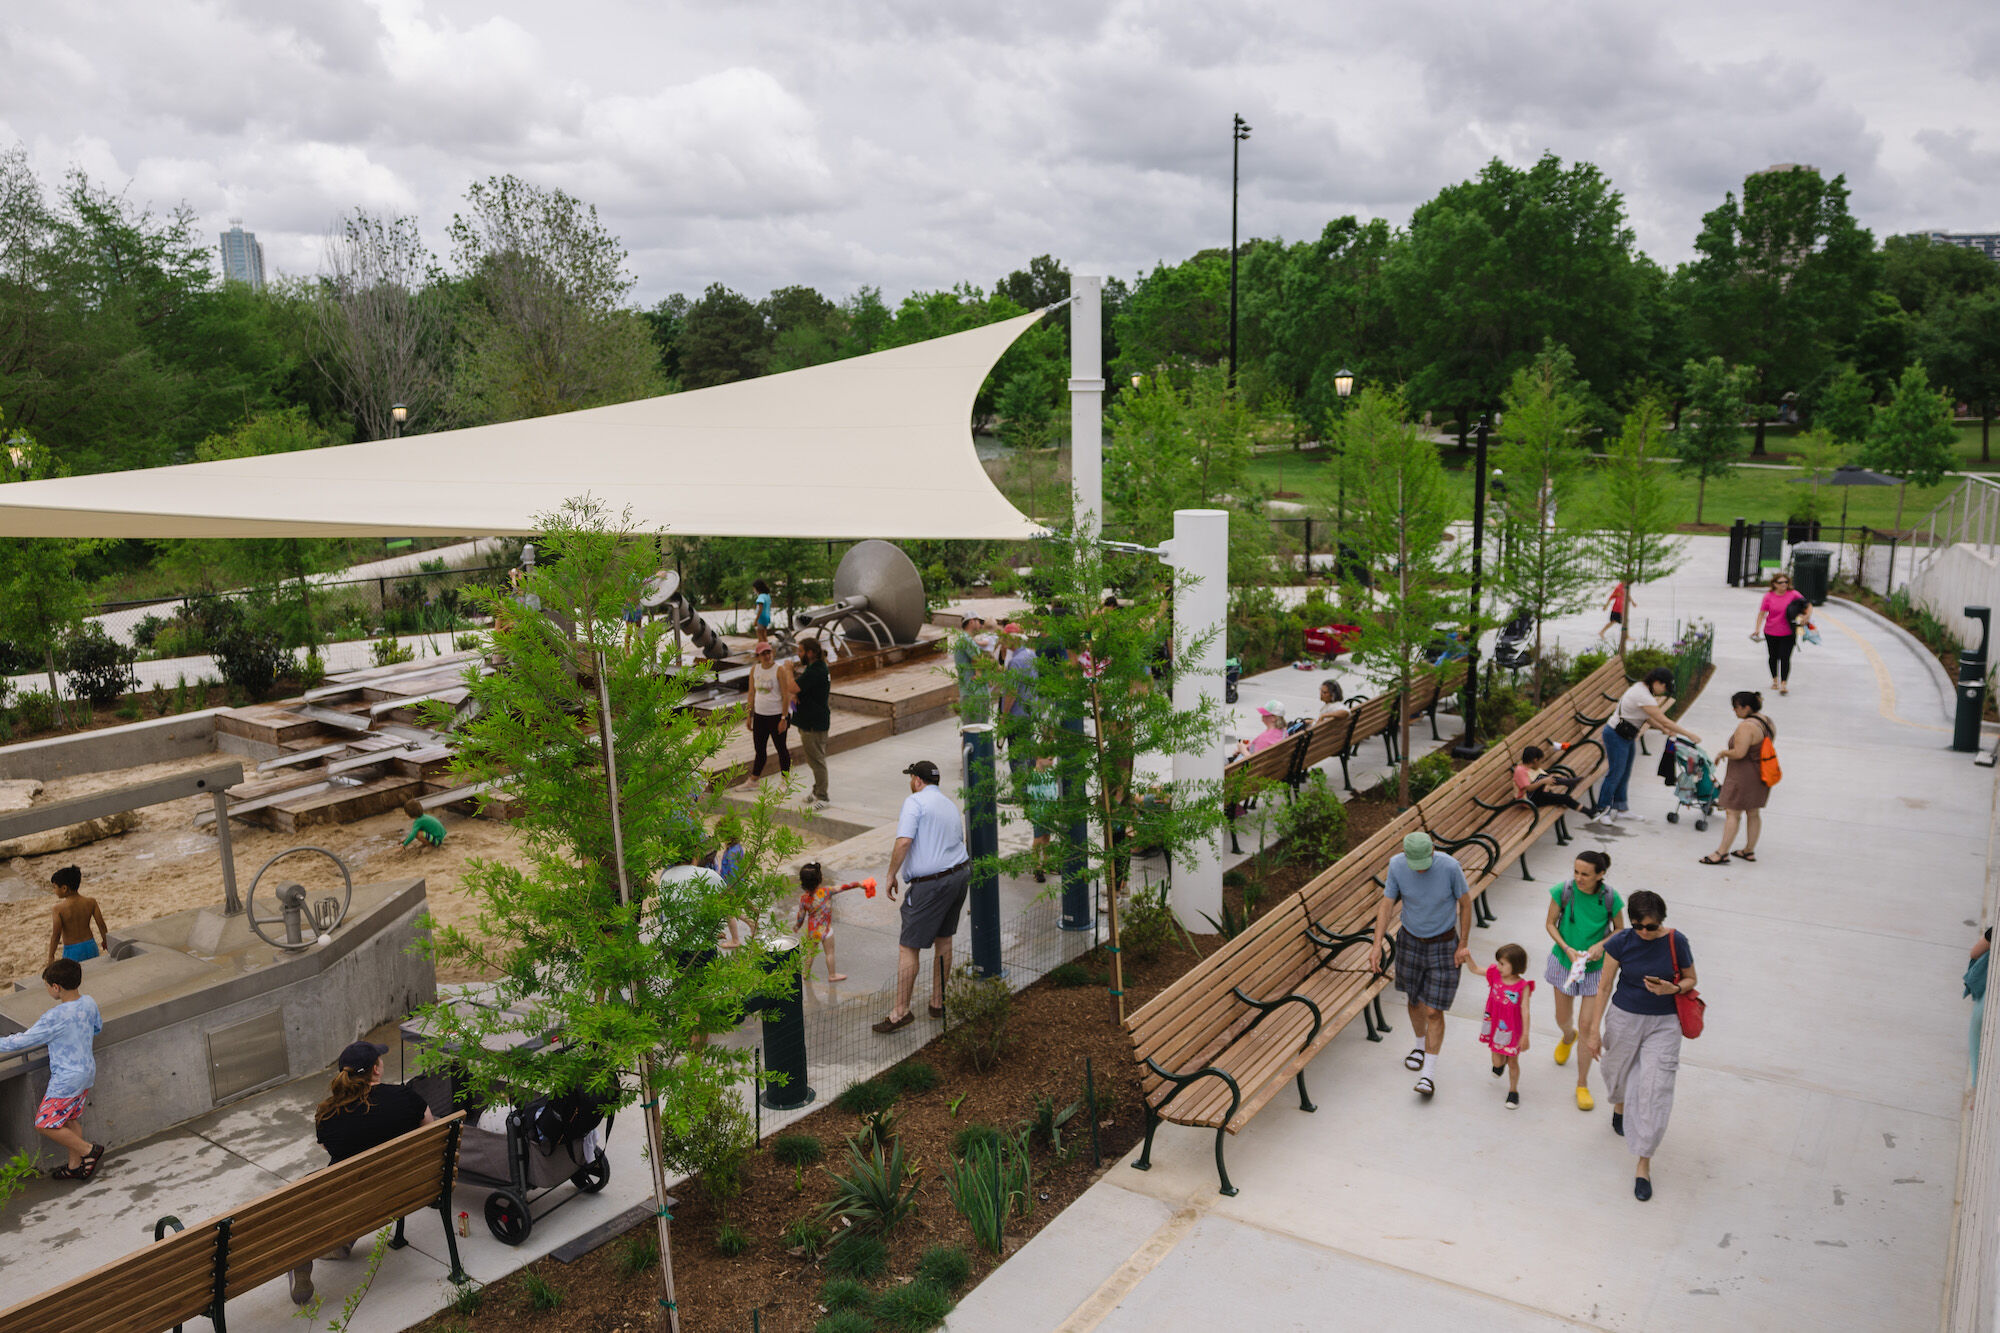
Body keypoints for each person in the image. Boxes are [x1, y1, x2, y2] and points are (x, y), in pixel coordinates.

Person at [296, 1040, 434, 1304]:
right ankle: (341, 1244)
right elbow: (430, 1128)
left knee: (313, 1187)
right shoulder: (406, 1097)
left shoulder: (326, 1115)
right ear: (376, 1069)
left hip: (354, 1206)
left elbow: (332, 1149)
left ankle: (307, 1252)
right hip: (412, 1188)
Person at [1583, 890, 1697, 1203]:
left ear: (1661, 920)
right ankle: (1619, 1103)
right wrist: (1593, 1030)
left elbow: (1690, 979)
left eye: (1651, 926)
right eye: (1639, 926)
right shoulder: (1621, 941)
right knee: (1615, 1072)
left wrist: (1671, 988)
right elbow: (1604, 985)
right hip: (1624, 1018)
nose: (1645, 932)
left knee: (1655, 1089)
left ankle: (1643, 1162)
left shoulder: (1676, 941)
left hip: (1664, 1023)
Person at [1369, 831, 1473, 1097]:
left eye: (1424, 864)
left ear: (1432, 851)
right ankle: (1418, 1045)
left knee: (1434, 1011)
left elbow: (1465, 903)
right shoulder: (1397, 865)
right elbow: (1387, 905)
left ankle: (1428, 1074)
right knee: (1414, 1000)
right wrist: (1376, 944)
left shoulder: (1450, 867)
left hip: (1444, 943)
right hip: (1410, 941)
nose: (1420, 870)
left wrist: (1463, 946)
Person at [875, 760, 970, 1033]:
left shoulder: (914, 803)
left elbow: (904, 841)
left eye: (911, 778)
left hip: (932, 884)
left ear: (917, 780)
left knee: (909, 946)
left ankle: (900, 1012)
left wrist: (891, 874)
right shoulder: (949, 804)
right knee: (944, 939)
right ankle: (937, 1003)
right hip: (959, 875)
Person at [0, 958, 105, 1181]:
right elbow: (97, 1027)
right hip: (86, 1071)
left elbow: (21, 1042)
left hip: (66, 1078)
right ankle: (75, 1166)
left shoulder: (54, 1017)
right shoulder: (89, 1002)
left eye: (47, 985)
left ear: (55, 987)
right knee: (69, 1119)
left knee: (44, 1123)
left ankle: (89, 1151)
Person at [1544, 850, 1624, 1110]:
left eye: (1585, 874)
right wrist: (1566, 947)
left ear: (1600, 875)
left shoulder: (1611, 898)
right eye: (1576, 872)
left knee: (1590, 1027)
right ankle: (1568, 1037)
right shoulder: (1563, 890)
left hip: (1594, 968)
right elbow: (1550, 924)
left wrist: (1602, 944)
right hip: (1564, 962)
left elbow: (1620, 929)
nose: (1579, 878)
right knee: (1562, 1019)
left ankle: (1582, 1084)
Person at [1591, 668, 1700, 825]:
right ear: (1657, 682)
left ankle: (1621, 809)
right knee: (1615, 773)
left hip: (1626, 735)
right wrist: (1688, 734)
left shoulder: (1642, 689)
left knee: (1625, 772)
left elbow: (1647, 716)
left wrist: (1663, 729)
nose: (1664, 692)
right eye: (1664, 687)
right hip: (1616, 735)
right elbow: (1664, 719)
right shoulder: (1643, 695)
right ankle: (1602, 810)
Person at [1703, 691, 1774, 866]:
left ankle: (1721, 853)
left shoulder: (1746, 726)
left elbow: (1740, 752)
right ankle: (1748, 851)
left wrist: (1723, 752)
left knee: (1732, 813)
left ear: (1746, 707)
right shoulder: (1766, 720)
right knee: (1753, 812)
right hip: (1761, 774)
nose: (1734, 710)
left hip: (1743, 777)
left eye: (1736, 707)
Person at [1476, 942, 1534, 1107]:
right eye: (1499, 962)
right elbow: (1475, 970)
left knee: (1513, 1062)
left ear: (1515, 965)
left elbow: (1525, 1011)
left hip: (1513, 1030)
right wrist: (1467, 957)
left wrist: (1525, 1035)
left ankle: (1513, 1091)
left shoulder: (1523, 987)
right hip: (1496, 1027)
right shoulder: (1495, 974)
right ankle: (1500, 1064)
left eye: (1503, 963)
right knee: (1497, 1062)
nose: (1498, 966)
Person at [793, 861, 862, 983]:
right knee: (829, 953)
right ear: (820, 879)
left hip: (813, 930)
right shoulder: (826, 891)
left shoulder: (803, 899)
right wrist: (859, 884)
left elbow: (801, 916)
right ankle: (832, 975)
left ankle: (805, 973)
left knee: (810, 953)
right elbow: (844, 887)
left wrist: (797, 926)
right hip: (826, 930)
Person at [745, 641, 795, 783]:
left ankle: (785, 780)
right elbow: (751, 693)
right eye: (763, 654)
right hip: (760, 715)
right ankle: (754, 779)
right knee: (759, 749)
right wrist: (749, 716)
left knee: (781, 748)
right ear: (758, 656)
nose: (767, 656)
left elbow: (786, 695)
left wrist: (784, 717)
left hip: (777, 715)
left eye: (769, 652)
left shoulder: (779, 670)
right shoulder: (755, 670)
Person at [1753, 572, 1808, 696]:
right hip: (1771, 631)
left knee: (1785, 657)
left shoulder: (1793, 594)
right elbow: (1762, 613)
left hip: (1788, 632)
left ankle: (1784, 684)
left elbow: (1807, 605)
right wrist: (1757, 628)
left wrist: (1806, 616)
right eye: (1780, 582)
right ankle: (1775, 680)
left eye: (1786, 582)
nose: (1784, 584)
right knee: (1773, 657)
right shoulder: (1768, 596)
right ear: (1774, 584)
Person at [793, 637, 833, 807]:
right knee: (813, 760)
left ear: (810, 653)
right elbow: (800, 690)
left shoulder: (817, 670)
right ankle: (816, 791)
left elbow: (792, 687)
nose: (798, 654)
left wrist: (788, 671)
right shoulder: (813, 668)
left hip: (814, 723)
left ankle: (823, 797)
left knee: (817, 761)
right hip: (809, 721)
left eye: (801, 651)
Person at [46, 865, 108, 964]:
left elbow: (56, 935)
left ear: (64, 888)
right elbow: (101, 924)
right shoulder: (91, 902)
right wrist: (106, 941)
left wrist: (51, 956)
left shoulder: (58, 909)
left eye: (55, 887)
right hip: (90, 946)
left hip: (72, 950)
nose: (54, 890)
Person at [1513, 745, 1582, 811]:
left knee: (1565, 798)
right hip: (1527, 801)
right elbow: (1529, 789)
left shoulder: (1532, 768)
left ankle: (1568, 782)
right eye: (1541, 761)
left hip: (1537, 794)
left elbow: (1547, 778)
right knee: (1563, 798)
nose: (1541, 763)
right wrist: (1543, 782)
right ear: (1535, 760)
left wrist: (1546, 784)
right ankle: (1568, 782)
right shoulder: (1520, 771)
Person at [1026, 755, 1059, 883]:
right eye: (1050, 760)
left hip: (1050, 810)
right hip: (1039, 812)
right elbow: (1033, 796)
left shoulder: (1050, 772)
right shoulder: (1034, 776)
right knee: (1038, 839)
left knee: (1047, 837)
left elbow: (1054, 789)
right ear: (1040, 759)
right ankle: (1037, 867)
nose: (1052, 762)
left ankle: (1047, 863)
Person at [752, 578, 774, 645]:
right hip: (767, 617)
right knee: (764, 635)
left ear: (758, 588)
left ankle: (762, 650)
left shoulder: (761, 597)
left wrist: (756, 620)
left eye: (754, 588)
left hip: (761, 618)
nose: (754, 590)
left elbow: (760, 609)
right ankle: (767, 648)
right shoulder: (767, 596)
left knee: (760, 635)